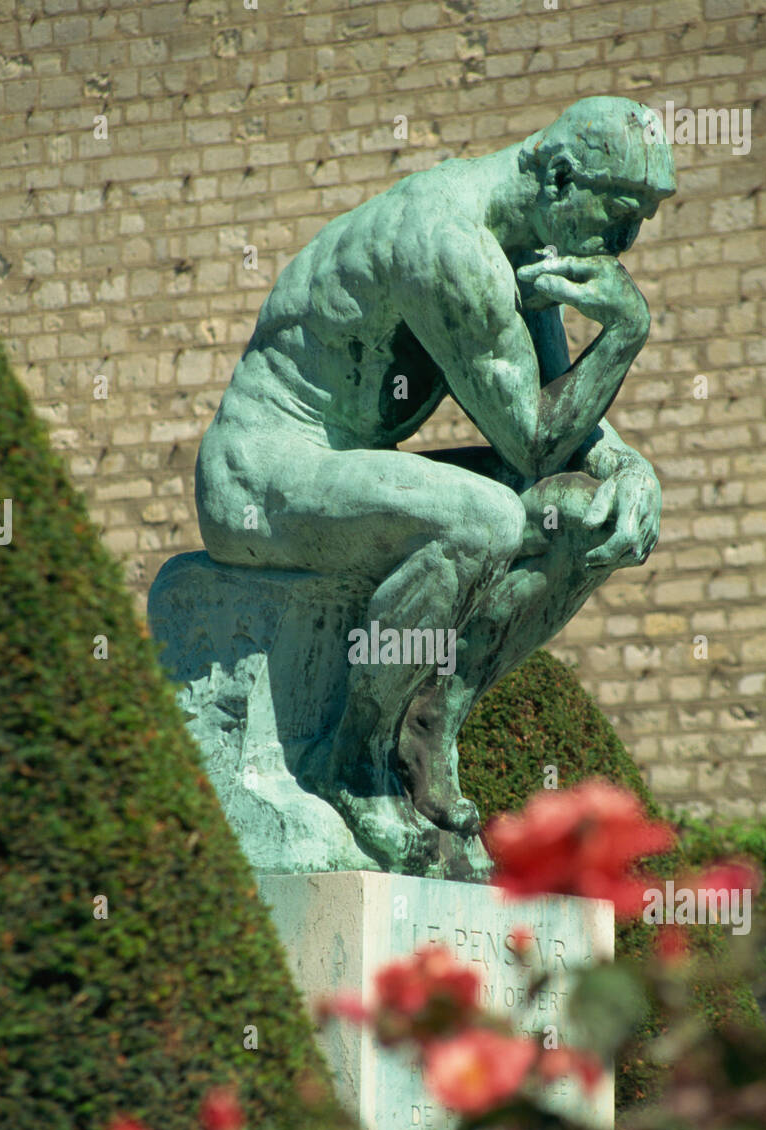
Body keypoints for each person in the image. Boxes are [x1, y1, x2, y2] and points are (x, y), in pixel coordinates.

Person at [195, 96, 676, 868]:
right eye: (618, 213)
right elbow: (534, 440)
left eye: (641, 221)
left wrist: (626, 467)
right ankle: (351, 763)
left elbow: (558, 424)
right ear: (559, 177)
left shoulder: (519, 250)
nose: (624, 243)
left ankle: (426, 735)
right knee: (481, 518)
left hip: (344, 469)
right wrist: (626, 330)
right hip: (261, 472)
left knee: (587, 516)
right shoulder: (449, 241)